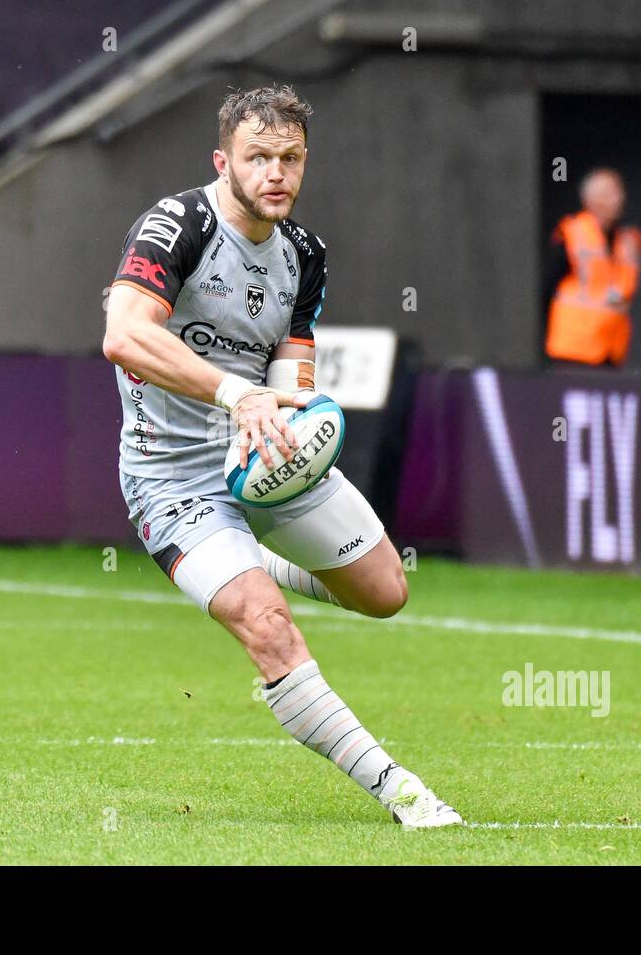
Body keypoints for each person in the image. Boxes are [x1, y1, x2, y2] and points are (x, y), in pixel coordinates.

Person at [102, 85, 463, 828]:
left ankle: (253, 556)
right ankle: (399, 790)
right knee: (268, 626)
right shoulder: (180, 224)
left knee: (387, 592)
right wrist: (238, 395)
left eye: (290, 159)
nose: (276, 174)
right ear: (223, 160)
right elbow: (124, 335)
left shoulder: (304, 253)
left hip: (263, 453)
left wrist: (288, 412)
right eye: (258, 157)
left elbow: (291, 373)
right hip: (172, 480)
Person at [543, 168, 641, 368]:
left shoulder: (628, 240)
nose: (618, 199)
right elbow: (548, 285)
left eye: (618, 193)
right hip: (575, 347)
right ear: (592, 200)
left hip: (611, 348)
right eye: (610, 194)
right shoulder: (572, 234)